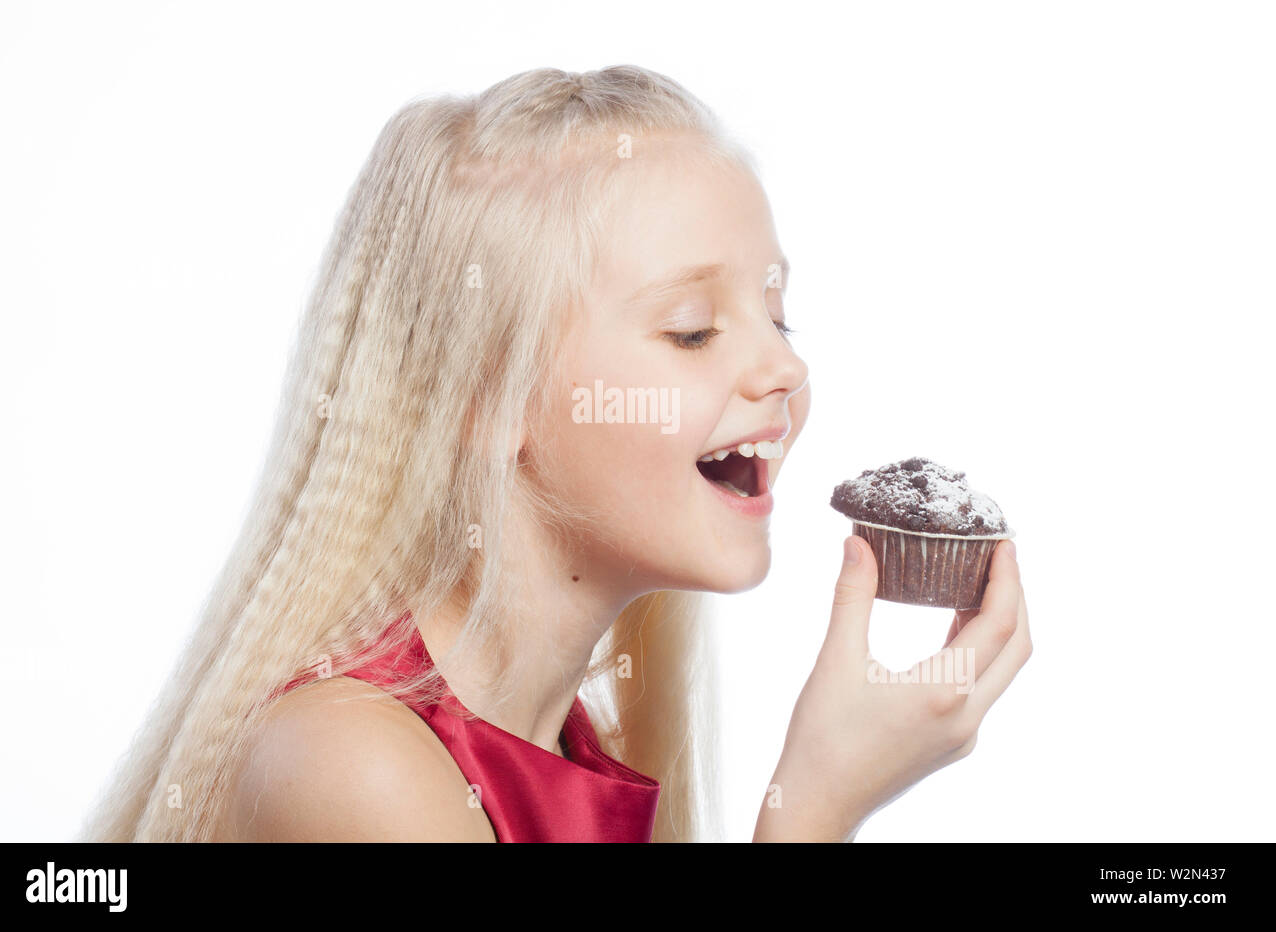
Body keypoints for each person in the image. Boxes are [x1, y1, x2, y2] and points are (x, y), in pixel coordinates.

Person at [78, 65, 1030, 843]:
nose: (785, 366)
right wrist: (816, 806)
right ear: (487, 397)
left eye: (780, 317)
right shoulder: (350, 769)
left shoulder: (576, 758)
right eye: (694, 331)